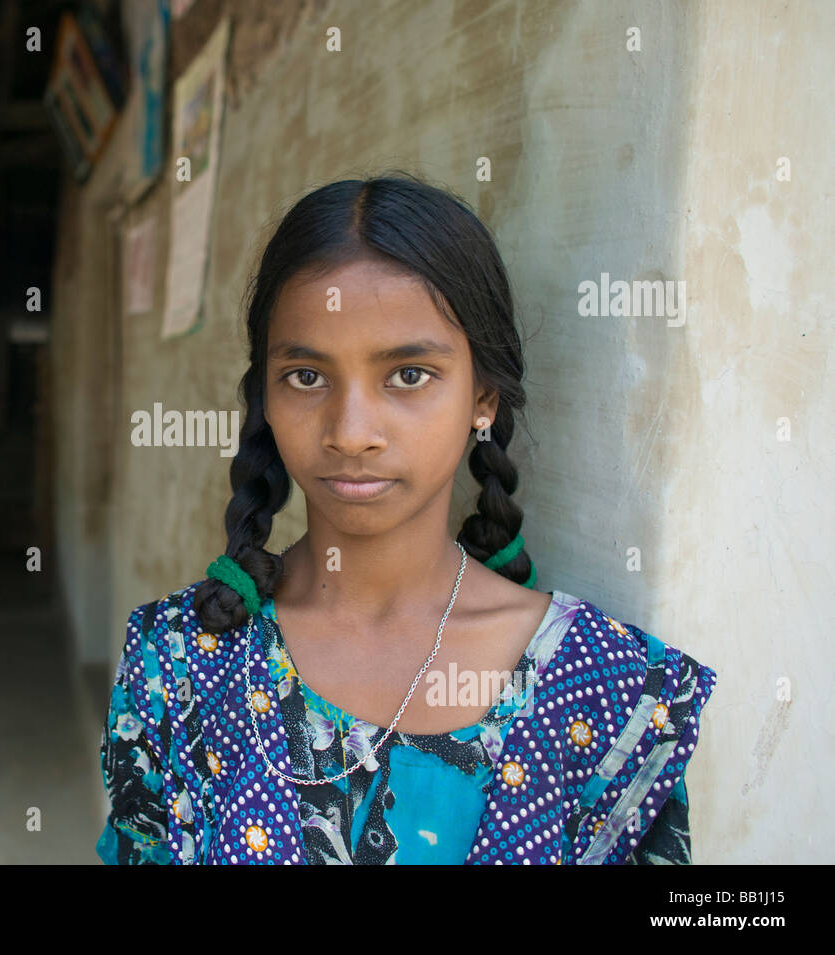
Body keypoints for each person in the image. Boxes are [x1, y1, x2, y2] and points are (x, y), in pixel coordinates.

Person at [97, 172, 717, 865]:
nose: (351, 432)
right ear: (265, 395)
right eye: (306, 376)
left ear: (483, 398)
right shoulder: (179, 662)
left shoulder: (613, 695)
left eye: (409, 374)